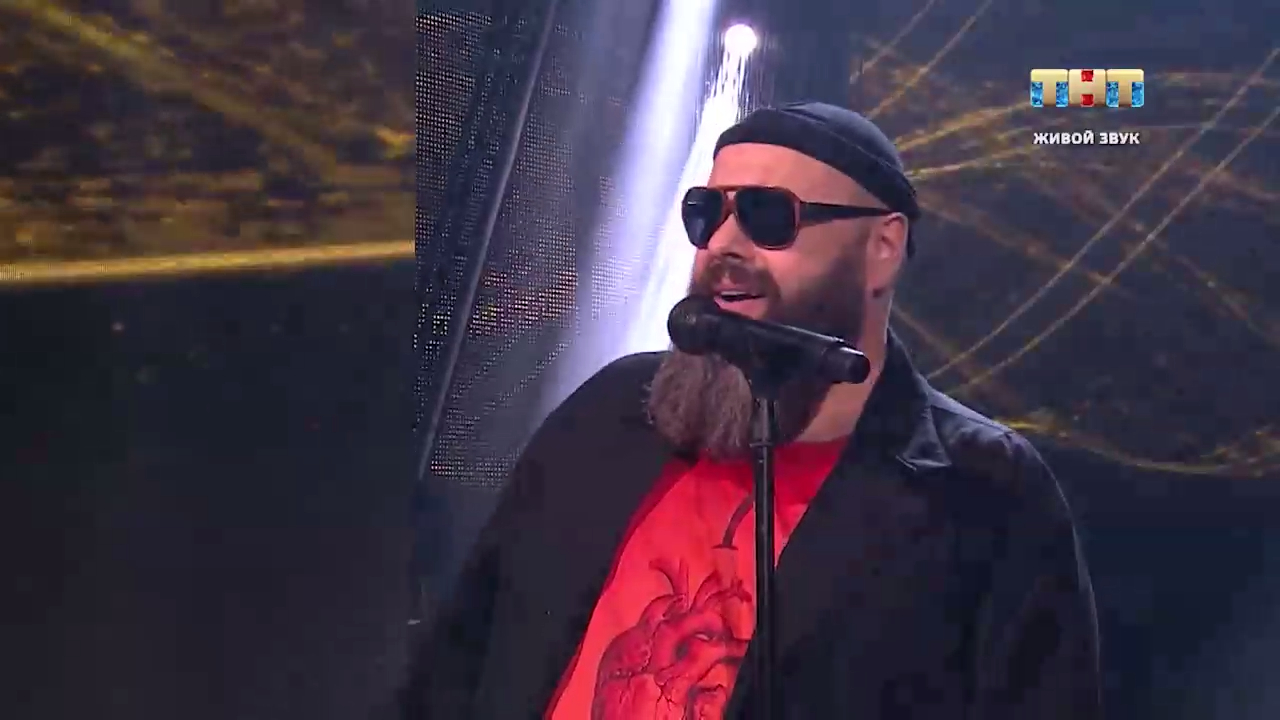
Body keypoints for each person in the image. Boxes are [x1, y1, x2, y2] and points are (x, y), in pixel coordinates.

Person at [400, 102, 1103, 719]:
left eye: (769, 216)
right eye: (706, 214)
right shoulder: (612, 413)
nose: (723, 246)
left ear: (882, 248)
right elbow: (456, 664)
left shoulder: (981, 488)